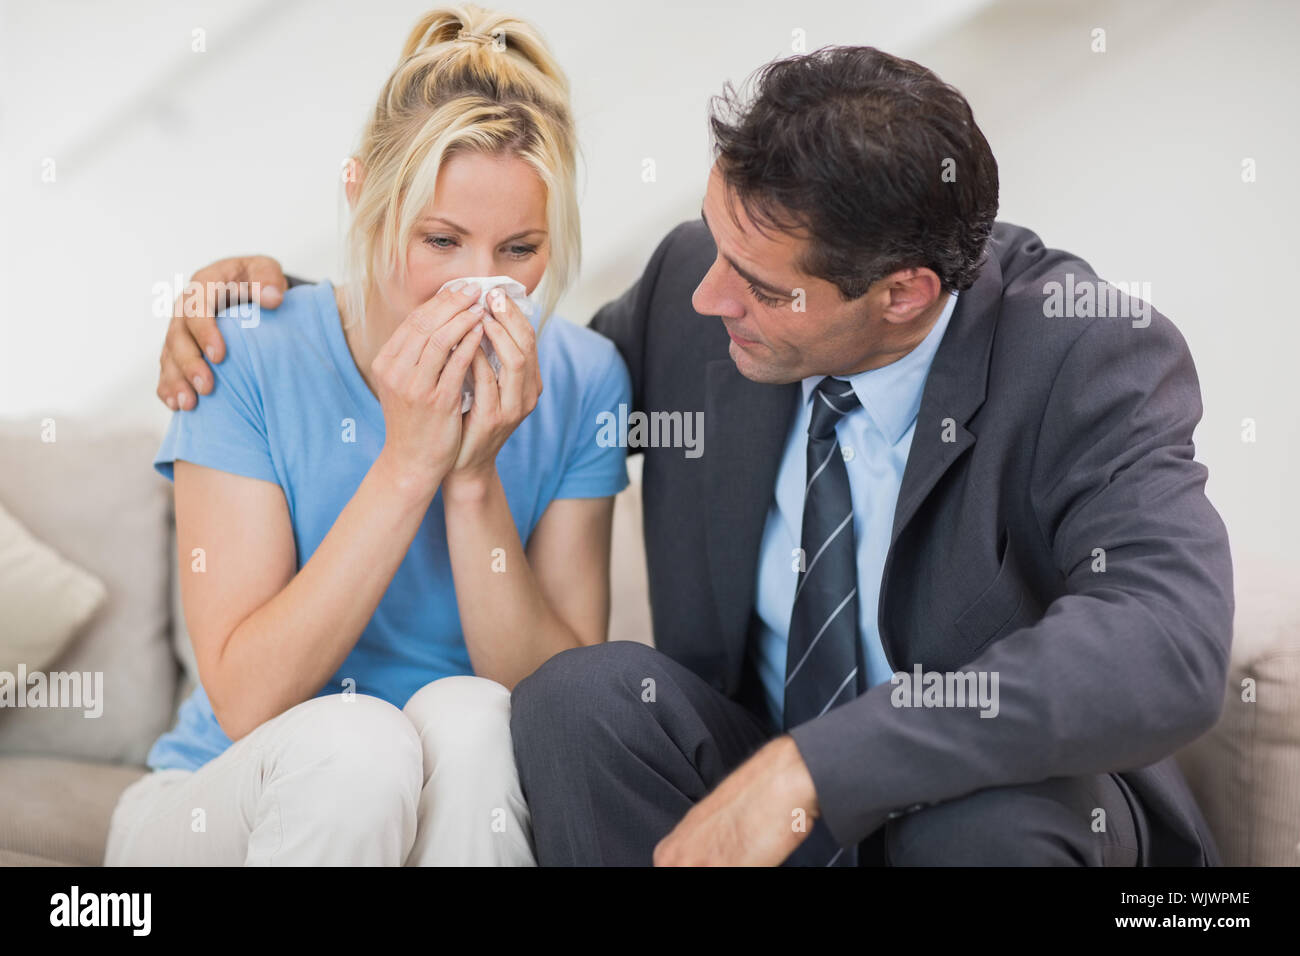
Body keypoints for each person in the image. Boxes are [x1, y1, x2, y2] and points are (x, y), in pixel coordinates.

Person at [155, 46, 1233, 867]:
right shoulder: (691, 298)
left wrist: (823, 766)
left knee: (993, 827)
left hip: (976, 799)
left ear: (903, 293)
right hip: (737, 772)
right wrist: (268, 296)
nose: (712, 297)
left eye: (762, 287)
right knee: (579, 697)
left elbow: (1163, 646)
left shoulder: (1088, 353)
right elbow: (498, 351)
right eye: (715, 245)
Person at [109, 4, 630, 866]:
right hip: (228, 791)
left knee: (475, 719)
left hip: (455, 794)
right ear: (362, 194)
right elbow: (246, 701)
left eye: (520, 249)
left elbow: (556, 707)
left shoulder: (584, 380)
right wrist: (407, 464)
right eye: (441, 239)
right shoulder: (241, 354)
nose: (481, 285)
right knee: (359, 745)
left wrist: (471, 480)